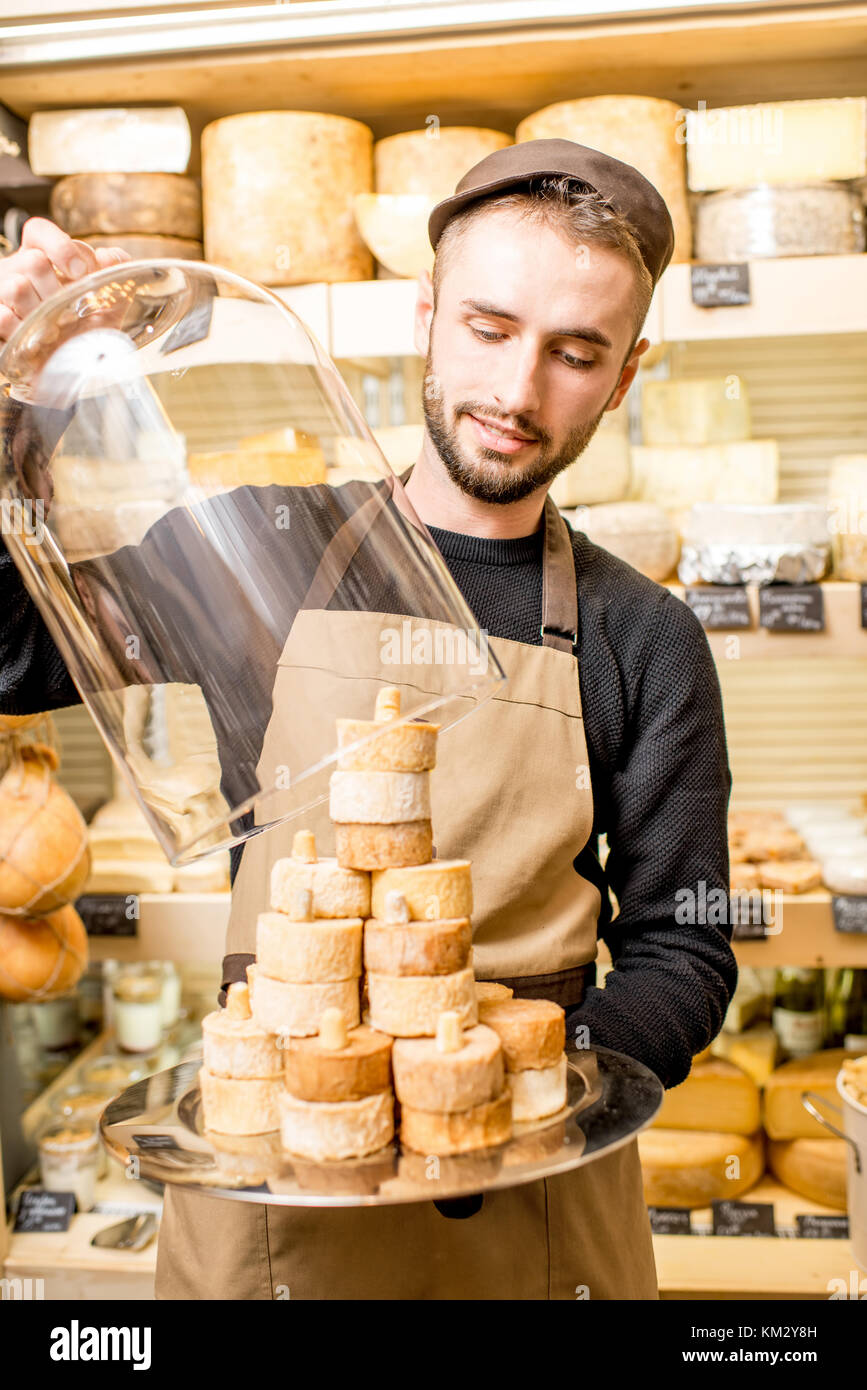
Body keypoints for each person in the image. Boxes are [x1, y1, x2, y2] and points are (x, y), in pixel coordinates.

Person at [0, 140, 736, 1300]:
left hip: (536, 1213)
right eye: (489, 330)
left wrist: (516, 1089)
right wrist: (14, 391)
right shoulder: (263, 552)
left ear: (628, 371)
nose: (517, 391)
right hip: (276, 1200)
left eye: (576, 353)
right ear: (427, 313)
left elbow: (686, 946)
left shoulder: (645, 637)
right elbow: (8, 648)